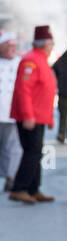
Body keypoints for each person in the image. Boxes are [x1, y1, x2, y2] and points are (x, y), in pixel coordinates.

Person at [8, 26, 57, 204]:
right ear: (45, 44)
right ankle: (19, 188)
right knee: (32, 152)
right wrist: (28, 115)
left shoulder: (41, 60)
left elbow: (46, 91)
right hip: (30, 117)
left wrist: (50, 117)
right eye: (51, 43)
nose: (52, 47)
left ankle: (33, 189)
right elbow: (23, 91)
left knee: (36, 152)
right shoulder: (31, 60)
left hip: (39, 116)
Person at [0, 32, 22, 192]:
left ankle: (10, 177)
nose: (11, 49)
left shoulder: (20, 64)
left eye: (14, 46)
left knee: (12, 148)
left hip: (12, 114)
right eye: (8, 45)